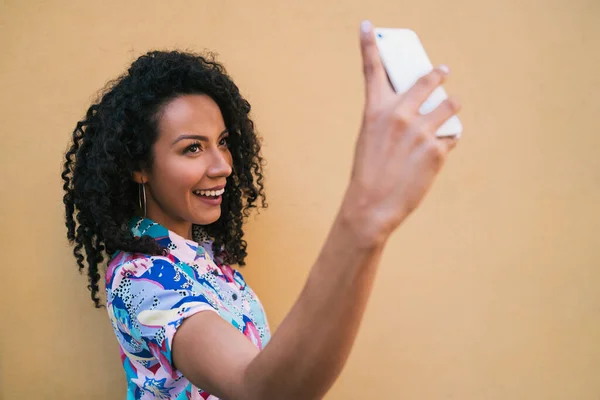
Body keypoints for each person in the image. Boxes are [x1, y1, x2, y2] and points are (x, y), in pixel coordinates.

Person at [62, 20, 460, 400]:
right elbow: (261, 390)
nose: (222, 166)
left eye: (222, 142)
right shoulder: (143, 278)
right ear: (140, 167)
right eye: (192, 148)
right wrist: (364, 218)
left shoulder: (203, 258)